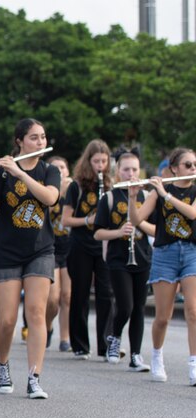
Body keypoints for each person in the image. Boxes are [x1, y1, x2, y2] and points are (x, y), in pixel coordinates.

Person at [0, 118, 60, 398]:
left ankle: (34, 377)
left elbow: (49, 198)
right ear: (20, 141)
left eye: (43, 137)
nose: (40, 142)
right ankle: (2, 365)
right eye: (34, 137)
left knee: (36, 312)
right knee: (8, 320)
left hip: (40, 249)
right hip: (5, 251)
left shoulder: (49, 171)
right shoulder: (1, 174)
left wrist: (22, 174)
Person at [129, 146, 196, 385]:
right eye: (188, 165)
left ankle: (194, 364)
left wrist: (166, 195)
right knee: (162, 317)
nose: (192, 169)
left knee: (193, 311)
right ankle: (157, 356)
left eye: (195, 165)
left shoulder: (190, 190)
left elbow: (192, 213)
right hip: (165, 254)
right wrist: (132, 195)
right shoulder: (159, 191)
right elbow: (137, 220)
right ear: (174, 168)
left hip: (191, 253)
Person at [94, 148, 152, 371]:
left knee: (139, 307)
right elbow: (98, 233)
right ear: (118, 171)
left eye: (134, 169)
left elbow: (156, 230)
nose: (131, 174)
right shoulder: (109, 197)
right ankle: (115, 336)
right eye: (126, 169)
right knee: (125, 306)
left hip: (143, 258)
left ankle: (136, 355)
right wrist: (119, 232)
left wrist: (139, 224)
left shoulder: (147, 197)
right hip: (118, 259)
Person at [61, 139, 113, 361]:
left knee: (105, 294)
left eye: (104, 161)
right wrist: (88, 220)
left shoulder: (111, 185)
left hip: (103, 246)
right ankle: (80, 344)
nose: (100, 166)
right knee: (80, 293)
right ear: (88, 161)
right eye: (96, 161)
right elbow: (65, 220)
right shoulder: (77, 185)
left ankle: (105, 344)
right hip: (80, 244)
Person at [46, 155, 73, 352]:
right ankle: (47, 327)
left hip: (69, 246)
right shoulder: (46, 189)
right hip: (50, 247)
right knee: (52, 299)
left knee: (67, 296)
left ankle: (65, 337)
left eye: (62, 167)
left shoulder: (74, 189)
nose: (60, 171)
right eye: (55, 168)